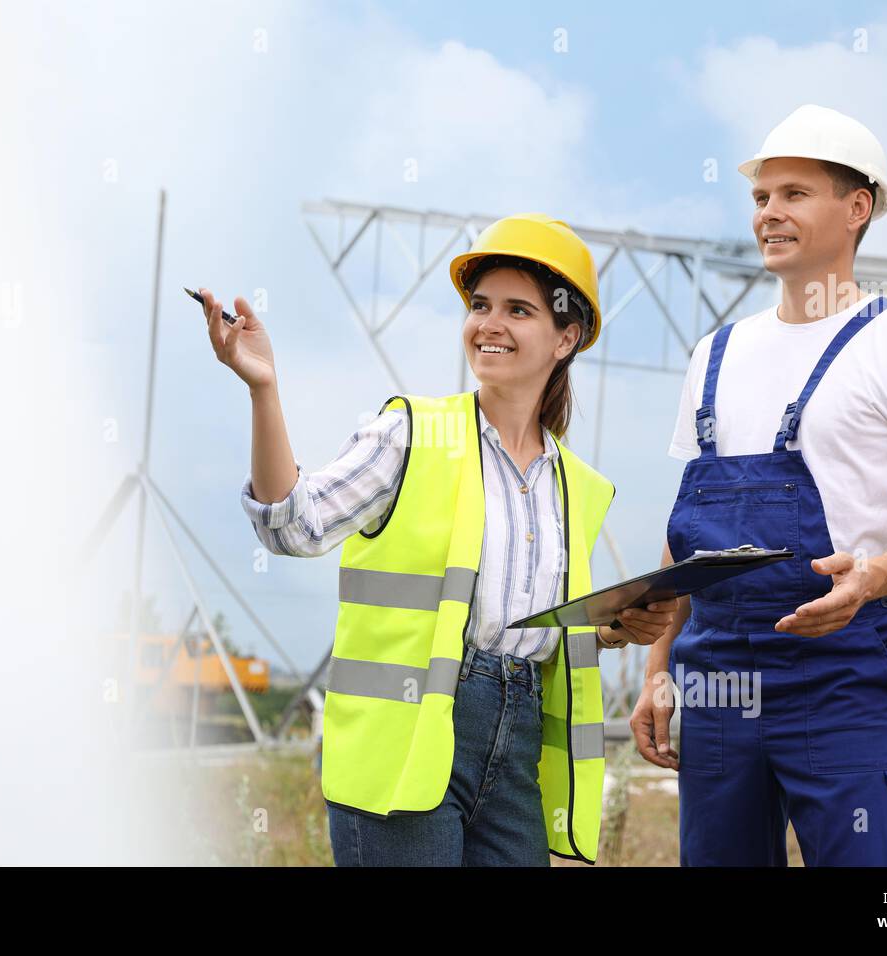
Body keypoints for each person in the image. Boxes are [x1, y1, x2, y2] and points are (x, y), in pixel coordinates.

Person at [202, 213, 679, 866]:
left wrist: (613, 626)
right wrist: (265, 390)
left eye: (518, 310)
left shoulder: (575, 484)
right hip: (405, 744)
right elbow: (292, 523)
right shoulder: (410, 434)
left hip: (518, 748)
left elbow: (526, 624)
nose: (490, 324)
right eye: (481, 305)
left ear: (566, 337)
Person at [630, 105, 887, 866]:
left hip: (840, 674)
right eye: (761, 197)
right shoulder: (715, 353)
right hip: (718, 679)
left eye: (793, 194)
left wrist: (873, 576)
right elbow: (685, 533)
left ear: (857, 208)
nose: (769, 214)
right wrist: (657, 672)